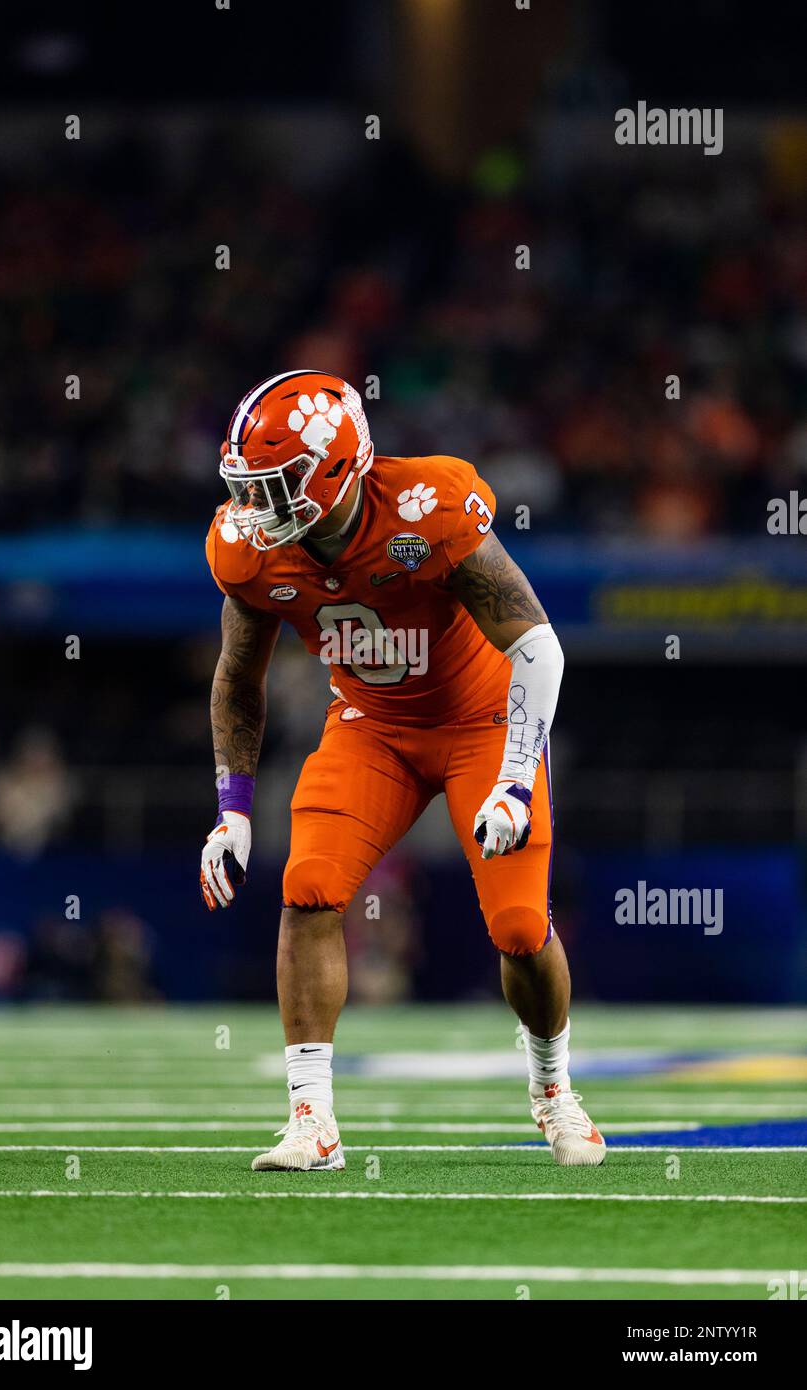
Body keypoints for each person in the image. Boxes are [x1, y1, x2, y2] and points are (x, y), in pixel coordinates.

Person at [201, 370, 605, 1172]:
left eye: (274, 484)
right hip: (372, 728)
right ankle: (311, 1120)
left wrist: (514, 779)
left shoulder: (428, 506)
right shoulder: (248, 549)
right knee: (308, 885)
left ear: (333, 468)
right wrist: (233, 807)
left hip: (483, 722)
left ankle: (555, 1091)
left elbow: (537, 644)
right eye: (248, 484)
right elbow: (238, 678)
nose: (254, 506)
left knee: (520, 929)